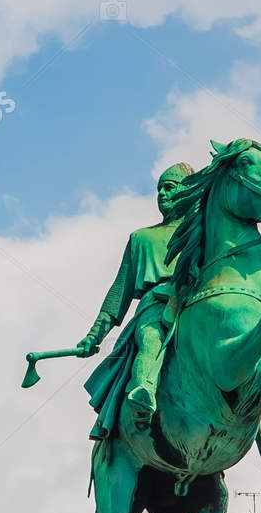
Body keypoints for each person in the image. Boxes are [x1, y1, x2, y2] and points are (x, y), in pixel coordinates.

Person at [78, 163, 196, 435]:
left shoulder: (203, 232)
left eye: (170, 187)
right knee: (150, 341)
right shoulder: (142, 238)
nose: (162, 194)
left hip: (198, 301)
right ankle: (143, 391)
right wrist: (93, 336)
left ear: (188, 191)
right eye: (159, 189)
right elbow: (118, 292)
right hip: (156, 305)